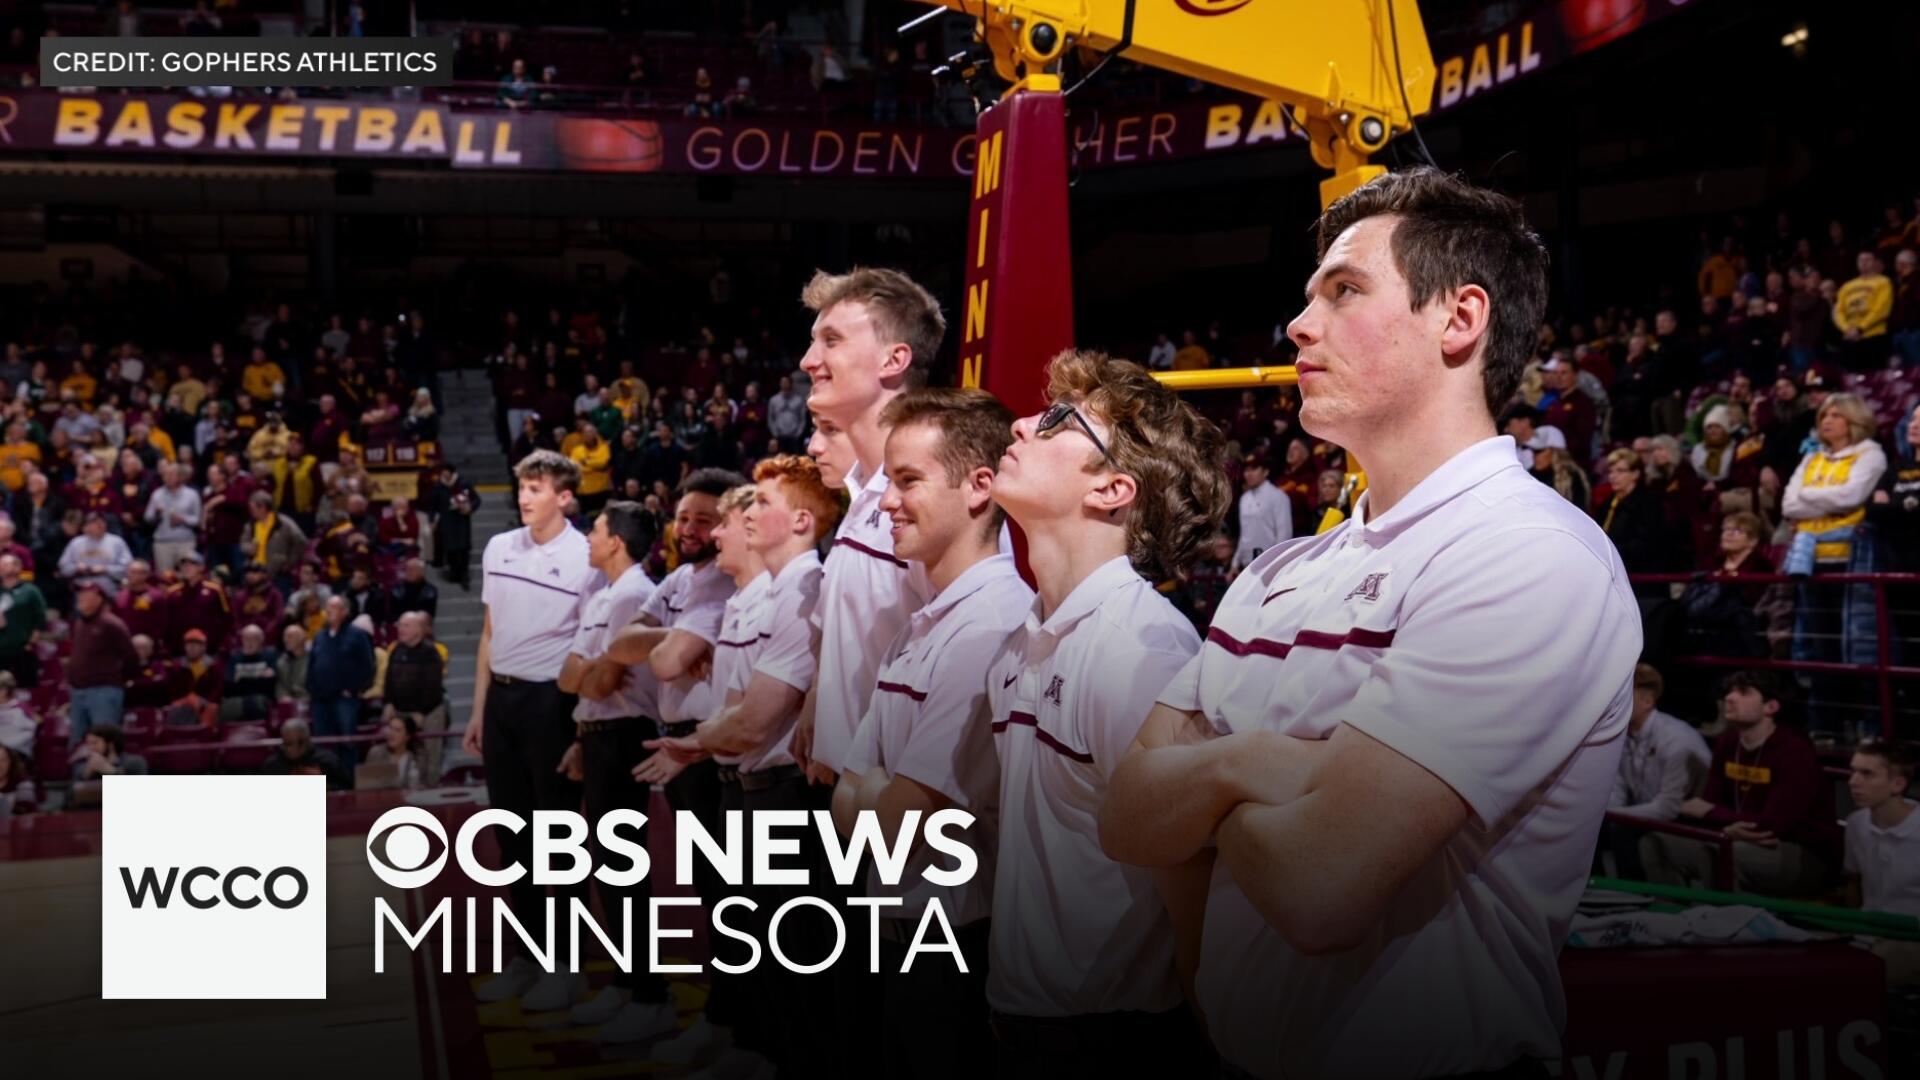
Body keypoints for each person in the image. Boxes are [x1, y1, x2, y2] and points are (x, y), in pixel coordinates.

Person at [1100, 169, 1641, 1079]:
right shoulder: (1277, 570)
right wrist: (1264, 765)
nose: (1298, 326)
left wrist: (1202, 781)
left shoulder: (1530, 553)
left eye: (1344, 290)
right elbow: (1123, 819)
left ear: (1459, 320)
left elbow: (1321, 885)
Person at [982, 350, 1228, 1074]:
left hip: (1112, 1034)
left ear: (1114, 490)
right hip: (1028, 1012)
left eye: (1059, 422)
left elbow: (1193, 892)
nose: (1024, 422)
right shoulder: (1024, 636)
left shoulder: (1139, 650)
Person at [831, 388, 1027, 1079]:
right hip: (906, 928)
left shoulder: (991, 624)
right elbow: (847, 806)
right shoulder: (928, 620)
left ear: (980, 487)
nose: (886, 501)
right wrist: (878, 793)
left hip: (954, 943)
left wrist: (875, 790)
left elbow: (900, 823)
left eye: (907, 479)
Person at [646, 455, 837, 1077]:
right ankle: (757, 1045)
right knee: (754, 941)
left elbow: (754, 719)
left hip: (780, 788)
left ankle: (779, 1053)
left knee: (789, 952)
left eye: (758, 504)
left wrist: (693, 743)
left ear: (802, 520)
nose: (742, 516)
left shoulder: (807, 590)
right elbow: (734, 707)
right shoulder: (764, 594)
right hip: (745, 781)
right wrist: (709, 739)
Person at [793, 267, 944, 791]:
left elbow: (966, 660)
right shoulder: (864, 491)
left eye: (830, 340)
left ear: (894, 359)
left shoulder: (932, 493)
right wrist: (820, 699)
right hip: (851, 793)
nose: (808, 361)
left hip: (899, 813)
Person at [463, 449, 601, 1010]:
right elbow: (490, 633)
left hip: (554, 702)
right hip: (502, 699)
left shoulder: (586, 555)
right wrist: (478, 709)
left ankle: (567, 963)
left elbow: (590, 648)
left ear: (565, 497)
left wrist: (579, 730)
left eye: (536, 488)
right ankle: (527, 956)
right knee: (512, 838)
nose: (523, 496)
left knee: (559, 842)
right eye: (521, 486)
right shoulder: (499, 546)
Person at [551, 501, 671, 1036]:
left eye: (595, 531)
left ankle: (648, 992)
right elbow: (568, 676)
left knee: (623, 870)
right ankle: (628, 985)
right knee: (607, 867)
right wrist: (584, 696)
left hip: (625, 735)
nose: (588, 540)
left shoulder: (635, 596)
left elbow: (597, 681)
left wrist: (588, 674)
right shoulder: (604, 595)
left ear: (616, 542)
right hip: (597, 734)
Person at [1646, 671, 1837, 896]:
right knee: (1655, 843)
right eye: (1730, 691)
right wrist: (1725, 825)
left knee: (1719, 852)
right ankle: (1672, 921)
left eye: (1743, 692)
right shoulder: (1728, 743)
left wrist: (1716, 817)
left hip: (1798, 850)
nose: (1730, 698)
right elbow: (1707, 804)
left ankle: (1723, 926)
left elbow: (1773, 825)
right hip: (1736, 836)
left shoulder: (1794, 750)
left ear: (1771, 707)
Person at [1844, 740, 1920, 985]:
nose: (1853, 781)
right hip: (1866, 932)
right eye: (1853, 771)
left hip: (1911, 937)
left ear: (1898, 784)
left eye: (1866, 774)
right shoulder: (1856, 823)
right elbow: (1854, 882)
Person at [68, 583, 139, 751]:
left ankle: (108, 775)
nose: (80, 598)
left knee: (105, 741)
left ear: (99, 599)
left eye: (86, 595)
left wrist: (119, 679)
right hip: (78, 691)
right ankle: (82, 776)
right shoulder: (79, 622)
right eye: (79, 595)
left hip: (104, 691)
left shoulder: (112, 623)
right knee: (78, 743)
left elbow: (131, 657)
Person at [307, 596, 373, 756]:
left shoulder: (357, 635)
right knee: (321, 745)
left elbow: (368, 666)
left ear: (345, 611)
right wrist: (312, 689)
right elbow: (312, 665)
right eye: (327, 607)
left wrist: (353, 689)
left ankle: (348, 779)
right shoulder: (320, 636)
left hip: (345, 699)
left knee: (347, 743)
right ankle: (326, 780)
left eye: (334, 607)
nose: (328, 610)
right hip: (320, 699)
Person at [1231, 453, 1293, 573]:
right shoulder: (1244, 498)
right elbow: (1244, 534)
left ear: (1265, 472)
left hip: (1270, 564)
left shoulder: (1278, 496)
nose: (1249, 474)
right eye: (1246, 470)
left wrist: (1277, 564)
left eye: (1254, 469)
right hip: (1246, 565)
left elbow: (1284, 533)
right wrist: (1235, 562)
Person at [427, 463, 480, 589]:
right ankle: (454, 572)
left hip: (462, 521)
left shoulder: (463, 484)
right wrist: (432, 520)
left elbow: (476, 500)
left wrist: (470, 507)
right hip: (446, 522)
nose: (444, 475)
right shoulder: (438, 487)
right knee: (450, 549)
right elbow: (433, 506)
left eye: (446, 472)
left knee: (463, 549)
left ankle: (464, 575)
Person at [143, 462, 201, 574]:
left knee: (186, 575)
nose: (167, 477)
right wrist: (156, 514)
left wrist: (183, 519)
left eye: (171, 474)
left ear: (180, 476)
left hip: (185, 542)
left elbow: (197, 520)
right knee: (165, 577)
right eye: (165, 475)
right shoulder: (157, 494)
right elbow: (148, 517)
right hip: (162, 543)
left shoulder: (192, 494)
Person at [0, 553, 47, 689]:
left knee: (25, 689)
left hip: (22, 650)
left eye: (7, 564)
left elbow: (40, 619)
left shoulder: (30, 591)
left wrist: (31, 643)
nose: (3, 567)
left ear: (18, 567)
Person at [260, 718, 347, 790]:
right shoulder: (272, 765)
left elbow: (345, 789)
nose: (287, 749)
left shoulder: (328, 760)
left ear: (306, 741)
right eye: (285, 743)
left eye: (290, 744)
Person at [166, 628, 226, 726]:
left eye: (196, 644)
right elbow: (172, 691)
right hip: (182, 705)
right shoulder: (176, 667)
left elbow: (218, 690)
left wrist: (201, 700)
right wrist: (186, 700)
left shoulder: (213, 666)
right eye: (189, 644)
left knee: (212, 708)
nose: (192, 647)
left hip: (206, 705)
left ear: (203, 647)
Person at [59, 512, 132, 592]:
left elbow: (128, 568)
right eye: (88, 524)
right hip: (82, 588)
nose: (90, 527)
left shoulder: (117, 542)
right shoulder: (75, 543)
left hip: (108, 587)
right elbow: (63, 567)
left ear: (103, 525)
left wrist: (106, 569)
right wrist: (76, 568)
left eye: (95, 524)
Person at [242, 490, 307, 579]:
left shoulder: (284, 524)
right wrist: (250, 548)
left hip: (278, 573)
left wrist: (289, 562)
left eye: (253, 508)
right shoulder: (251, 524)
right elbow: (243, 543)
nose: (251, 511)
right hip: (255, 571)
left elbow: (301, 542)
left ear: (263, 507)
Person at [363, 708, 427, 790]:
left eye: (397, 730)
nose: (391, 734)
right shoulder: (375, 753)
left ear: (407, 736)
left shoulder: (419, 757)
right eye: (390, 728)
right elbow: (365, 788)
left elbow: (422, 788)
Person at [70, 723, 148, 781]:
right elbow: (68, 798)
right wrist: (86, 775)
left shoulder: (135, 763)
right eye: (88, 744)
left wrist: (112, 772)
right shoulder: (82, 765)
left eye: (95, 743)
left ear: (111, 745)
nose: (90, 748)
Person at [276, 624, 310, 703]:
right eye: (284, 636)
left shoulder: (313, 660)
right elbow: (280, 685)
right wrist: (283, 696)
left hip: (309, 701)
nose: (285, 640)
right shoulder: (282, 662)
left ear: (301, 639)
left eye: (290, 636)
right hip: (289, 703)